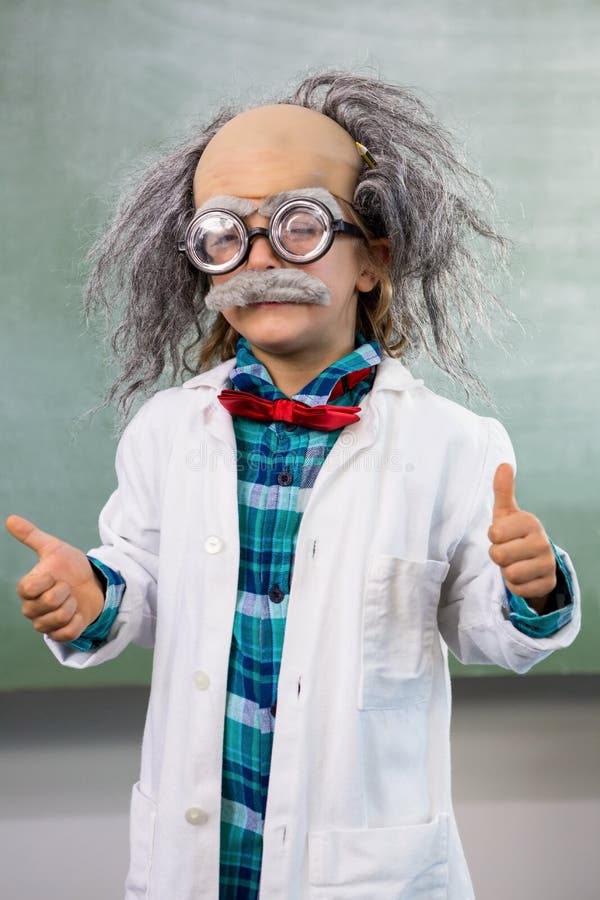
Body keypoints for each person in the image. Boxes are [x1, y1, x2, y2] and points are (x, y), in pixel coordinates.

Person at [5, 71, 580, 899]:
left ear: (374, 258)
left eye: (298, 223)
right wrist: (96, 595)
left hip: (364, 870)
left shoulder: (452, 444)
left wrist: (533, 589)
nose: (260, 255)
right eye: (222, 233)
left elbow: (487, 628)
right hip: (201, 860)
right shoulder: (168, 430)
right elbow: (150, 588)